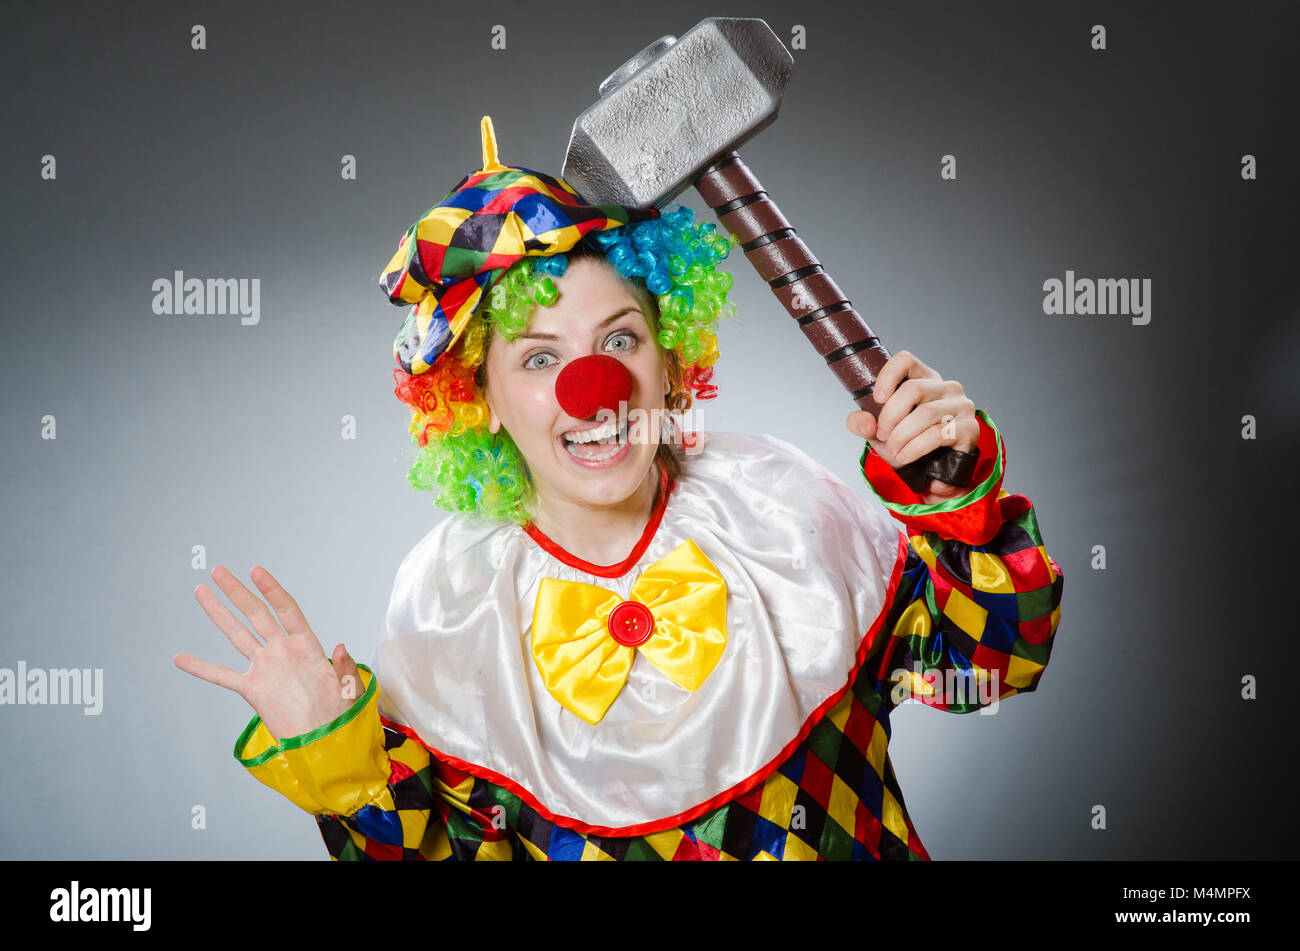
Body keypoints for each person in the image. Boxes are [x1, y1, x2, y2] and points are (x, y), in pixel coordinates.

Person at [175, 117, 1063, 861]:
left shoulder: (779, 505)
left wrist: (960, 499)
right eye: (539, 357)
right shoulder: (449, 602)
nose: (589, 387)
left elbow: (987, 670)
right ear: (478, 396)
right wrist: (338, 755)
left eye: (621, 340)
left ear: (671, 357)